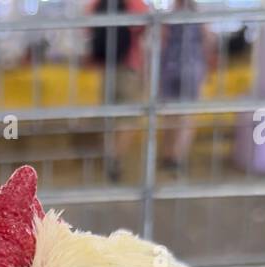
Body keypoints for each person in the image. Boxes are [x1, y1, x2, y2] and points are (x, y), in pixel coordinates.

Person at [89, 0, 149, 182]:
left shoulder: (96, 3)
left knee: (109, 115)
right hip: (128, 64)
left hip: (106, 66)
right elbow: (145, 24)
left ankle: (109, 155)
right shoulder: (134, 3)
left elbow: (88, 29)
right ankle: (115, 158)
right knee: (129, 116)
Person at [159, 0, 216, 173]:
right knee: (188, 115)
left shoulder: (168, 16)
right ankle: (178, 156)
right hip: (192, 68)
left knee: (169, 113)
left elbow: (161, 40)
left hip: (169, 67)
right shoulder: (199, 15)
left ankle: (167, 153)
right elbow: (209, 40)